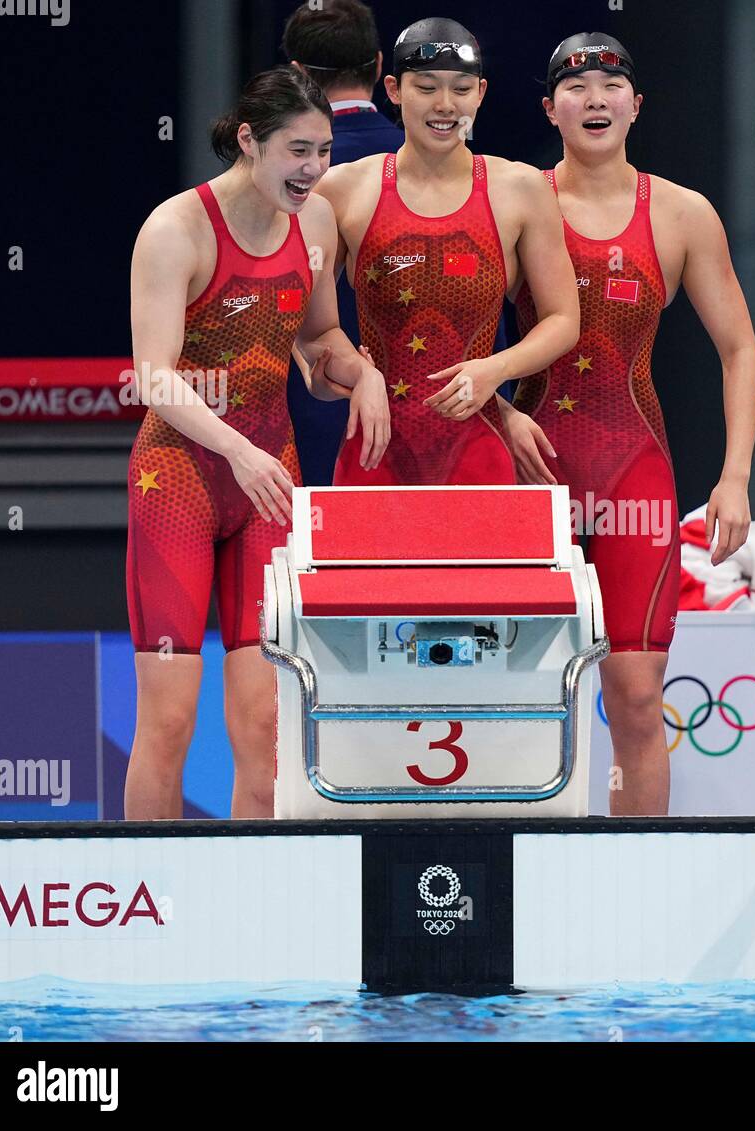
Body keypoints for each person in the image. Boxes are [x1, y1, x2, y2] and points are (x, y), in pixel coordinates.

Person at [503, 35, 755, 815]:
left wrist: (735, 476)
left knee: (638, 699)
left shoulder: (683, 214)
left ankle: (631, 877)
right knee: (517, 697)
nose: (595, 99)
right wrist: (499, 413)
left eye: (611, 85)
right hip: (530, 475)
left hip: (633, 475)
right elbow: (453, 342)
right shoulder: (515, 201)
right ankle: (520, 873)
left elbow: (741, 349)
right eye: (575, 88)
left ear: (636, 105)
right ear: (549, 109)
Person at [124, 67, 389, 819]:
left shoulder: (316, 224)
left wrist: (360, 371)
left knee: (266, 724)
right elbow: (152, 376)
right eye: (297, 150)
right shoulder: (175, 230)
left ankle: (254, 910)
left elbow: (319, 338)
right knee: (170, 721)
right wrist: (237, 449)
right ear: (249, 139)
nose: (312, 170)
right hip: (178, 483)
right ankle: (155, 909)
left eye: (325, 152)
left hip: (269, 491)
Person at [312, 17, 579, 486]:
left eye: (460, 89)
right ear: (393, 90)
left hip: (479, 448)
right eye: (427, 87)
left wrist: (497, 371)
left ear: (480, 93)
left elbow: (563, 320)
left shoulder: (520, 189)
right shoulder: (343, 189)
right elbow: (312, 326)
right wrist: (355, 374)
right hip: (375, 449)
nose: (444, 105)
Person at [281, 0, 405, 487]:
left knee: (321, 560)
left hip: (313, 415)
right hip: (447, 407)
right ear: (378, 66)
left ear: (296, 74)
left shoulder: (278, 177)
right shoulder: (453, 170)